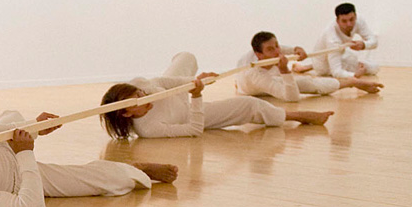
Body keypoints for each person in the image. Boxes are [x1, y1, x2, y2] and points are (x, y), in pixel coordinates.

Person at [0, 99, 176, 207]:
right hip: (18, 176)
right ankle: (132, 169)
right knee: (94, 180)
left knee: (11, 115)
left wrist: (31, 127)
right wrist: (24, 153)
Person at [100, 52, 331, 139]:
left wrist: (195, 82)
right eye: (140, 100)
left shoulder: (139, 86)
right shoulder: (149, 129)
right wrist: (197, 97)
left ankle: (191, 73)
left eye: (141, 93)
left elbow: (163, 82)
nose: (145, 97)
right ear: (127, 112)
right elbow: (194, 130)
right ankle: (296, 115)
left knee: (186, 57)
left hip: (177, 92)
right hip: (190, 113)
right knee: (249, 104)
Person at [236, 31, 381, 99]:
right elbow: (292, 98)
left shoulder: (271, 52)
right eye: (270, 49)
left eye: (276, 46)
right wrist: (285, 71)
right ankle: (351, 82)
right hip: (252, 88)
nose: (277, 52)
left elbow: (283, 49)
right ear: (259, 55)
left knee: (307, 82)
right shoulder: (256, 76)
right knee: (299, 85)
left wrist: (296, 49)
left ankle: (351, 82)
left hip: (270, 78)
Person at [312, 2, 381, 80]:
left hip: (341, 54)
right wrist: (355, 75)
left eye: (351, 19)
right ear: (337, 21)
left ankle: (307, 66)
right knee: (365, 66)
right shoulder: (332, 38)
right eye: (344, 21)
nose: (349, 24)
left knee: (375, 67)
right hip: (323, 66)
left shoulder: (359, 20)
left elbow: (374, 42)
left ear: (355, 16)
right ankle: (312, 65)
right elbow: (336, 72)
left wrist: (363, 45)